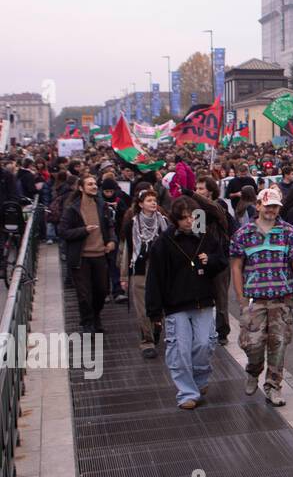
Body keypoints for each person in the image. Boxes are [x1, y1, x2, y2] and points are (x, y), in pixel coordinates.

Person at [145, 197, 227, 409]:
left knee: (204, 343)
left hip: (203, 300)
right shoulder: (164, 242)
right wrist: (154, 311)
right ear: (176, 220)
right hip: (176, 304)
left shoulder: (205, 237)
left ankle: (200, 379)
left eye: (192, 217)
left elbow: (221, 261)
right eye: (184, 218)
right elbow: (155, 277)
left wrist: (210, 261)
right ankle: (187, 392)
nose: (189, 222)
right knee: (180, 349)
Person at [229, 186, 293, 406]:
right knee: (252, 344)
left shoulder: (289, 231)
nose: (272, 210)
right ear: (259, 205)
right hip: (255, 299)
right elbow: (236, 267)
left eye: (276, 206)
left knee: (278, 344)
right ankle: (254, 370)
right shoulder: (242, 234)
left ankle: (273, 386)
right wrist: (241, 297)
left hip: (282, 298)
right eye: (269, 205)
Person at [61, 174, 118, 333]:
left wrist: (112, 241)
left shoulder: (102, 205)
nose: (94, 186)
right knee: (84, 294)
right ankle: (87, 323)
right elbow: (64, 232)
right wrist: (83, 230)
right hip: (82, 258)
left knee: (101, 291)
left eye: (95, 184)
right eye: (90, 184)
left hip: (100, 255)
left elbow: (110, 226)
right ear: (81, 188)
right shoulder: (72, 208)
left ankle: (96, 316)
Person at [122, 188, 169, 358]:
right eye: (149, 200)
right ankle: (146, 341)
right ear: (141, 204)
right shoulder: (132, 224)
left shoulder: (164, 222)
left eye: (154, 200)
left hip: (160, 270)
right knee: (142, 309)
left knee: (159, 305)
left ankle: (156, 328)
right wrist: (123, 276)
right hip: (140, 269)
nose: (153, 203)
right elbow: (128, 250)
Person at [193, 177, 233, 346]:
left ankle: (222, 331)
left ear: (210, 190)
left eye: (201, 188)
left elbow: (216, 212)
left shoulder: (220, 206)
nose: (197, 191)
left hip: (220, 259)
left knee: (221, 298)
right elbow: (197, 236)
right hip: (203, 258)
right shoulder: (198, 211)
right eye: (196, 188)